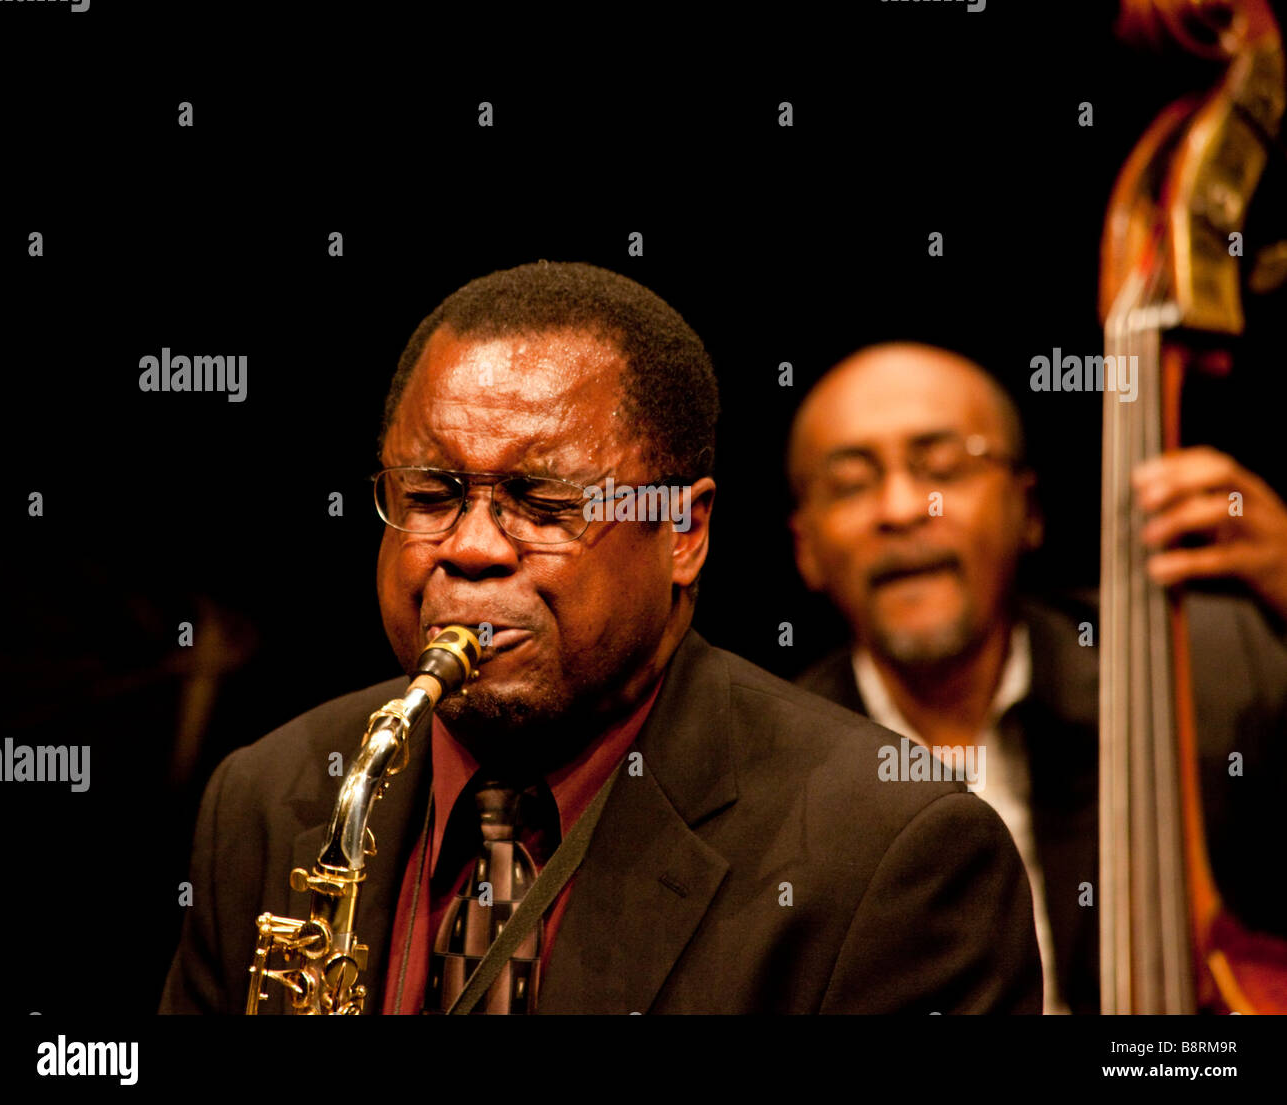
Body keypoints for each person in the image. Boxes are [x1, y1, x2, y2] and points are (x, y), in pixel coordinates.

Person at [160, 265, 1040, 1015]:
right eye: (430, 495)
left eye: (544, 503)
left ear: (683, 532)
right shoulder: (264, 798)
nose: (469, 547)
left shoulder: (896, 851)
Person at [787, 342, 1287, 1014]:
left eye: (942, 467)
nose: (901, 507)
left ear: (1030, 511)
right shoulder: (769, 774)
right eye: (849, 483)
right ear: (806, 548)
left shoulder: (1213, 664)